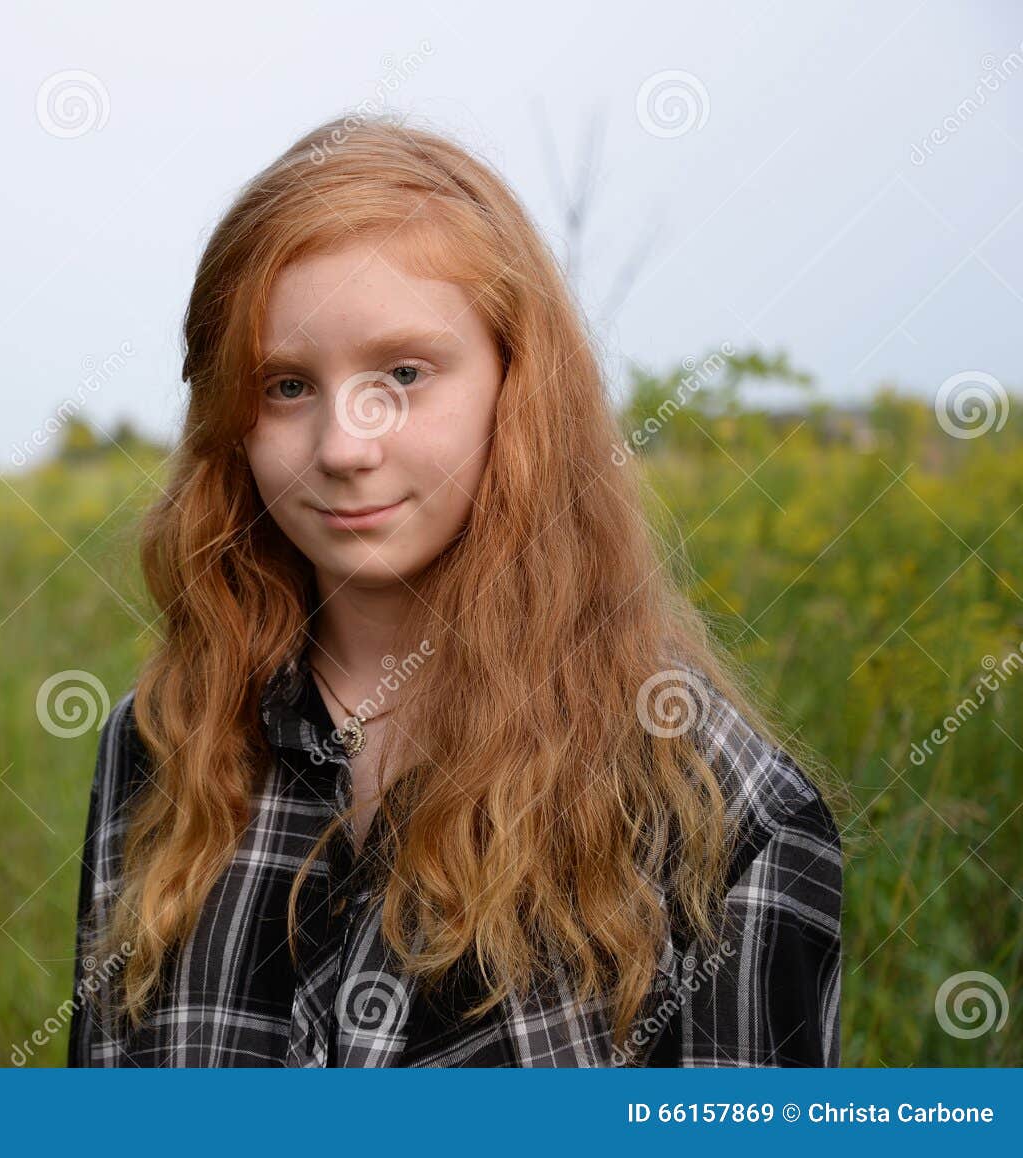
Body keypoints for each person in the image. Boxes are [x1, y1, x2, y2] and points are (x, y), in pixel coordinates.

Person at [66, 114, 844, 1067]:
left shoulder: (718, 811)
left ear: (519, 390)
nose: (344, 448)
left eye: (402, 373)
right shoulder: (163, 742)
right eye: (284, 386)